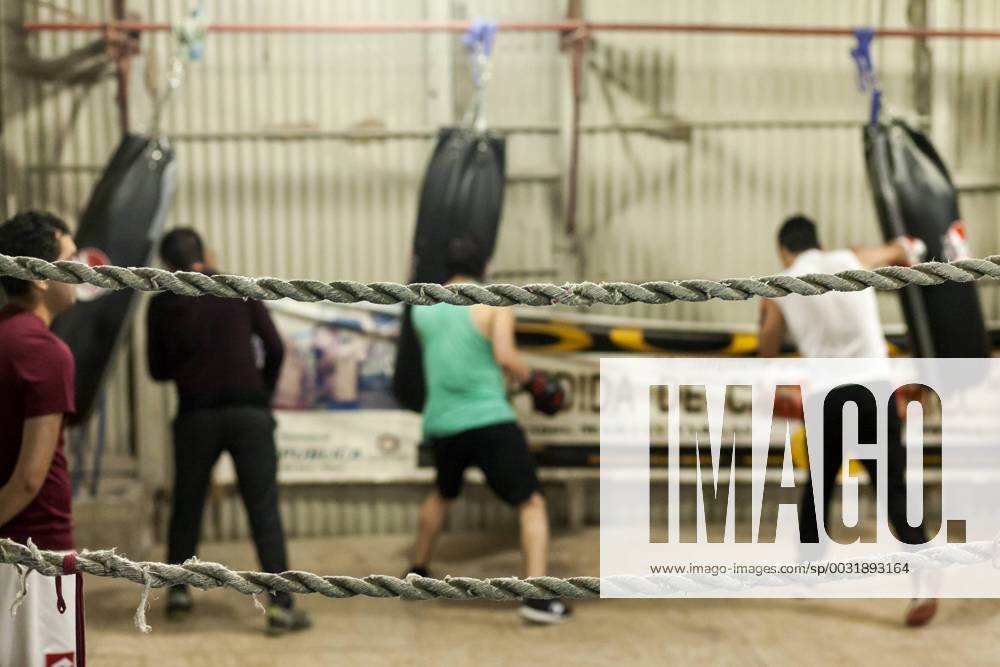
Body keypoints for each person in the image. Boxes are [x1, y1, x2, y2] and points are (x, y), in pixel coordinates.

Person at [757, 214, 937, 627]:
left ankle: (807, 571)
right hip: (874, 389)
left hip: (825, 397)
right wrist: (914, 249)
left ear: (784, 249)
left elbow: (767, 343)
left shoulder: (781, 285)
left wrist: (767, 322)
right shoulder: (850, 258)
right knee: (891, 487)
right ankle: (924, 575)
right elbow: (901, 249)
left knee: (819, 486)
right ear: (818, 241)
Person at [146, 228, 310, 635]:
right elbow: (274, 348)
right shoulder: (238, 289)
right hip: (249, 412)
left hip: (196, 415)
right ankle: (280, 606)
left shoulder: (162, 302)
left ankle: (179, 593)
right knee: (263, 509)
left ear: (167, 265)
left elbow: (157, 370)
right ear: (204, 254)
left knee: (187, 503)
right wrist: (261, 393)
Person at [404, 237, 571, 624]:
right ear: (486, 266)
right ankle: (538, 598)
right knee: (531, 503)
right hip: (488, 418)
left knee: (443, 492)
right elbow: (505, 357)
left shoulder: (424, 310)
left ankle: (417, 571)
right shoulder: (494, 300)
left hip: (443, 423)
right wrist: (538, 384)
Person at [0, 211, 85, 666]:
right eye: (70, 259)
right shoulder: (43, 351)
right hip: (36, 552)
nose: (81, 271)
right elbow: (30, 478)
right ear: (38, 275)